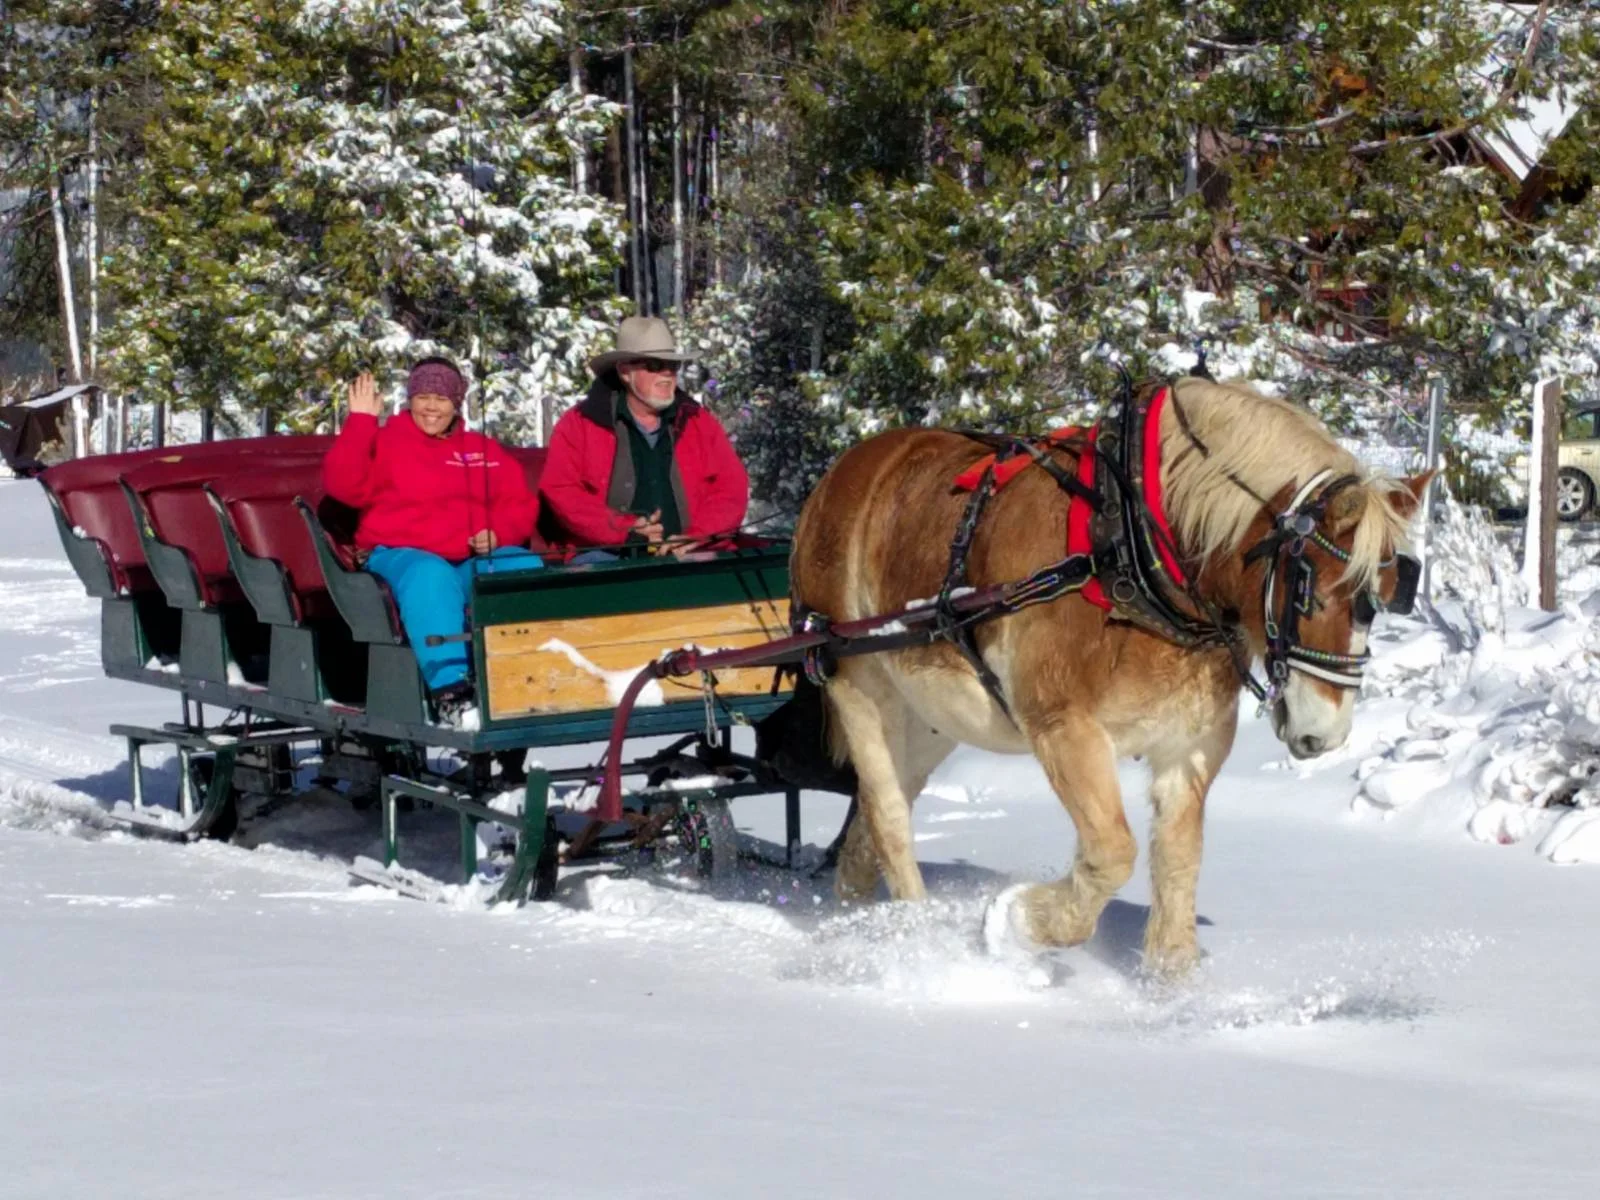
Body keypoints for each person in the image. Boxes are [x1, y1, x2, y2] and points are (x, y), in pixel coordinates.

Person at [322, 357, 541, 726]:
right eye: (422, 396)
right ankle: (451, 690)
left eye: (441, 398)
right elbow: (343, 486)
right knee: (430, 576)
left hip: (469, 558)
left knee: (524, 567)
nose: (431, 407)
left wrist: (498, 533)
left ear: (457, 402)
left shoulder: (482, 450)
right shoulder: (387, 441)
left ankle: (526, 674)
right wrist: (360, 422)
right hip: (399, 555)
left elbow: (520, 505)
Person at [539, 316, 749, 559]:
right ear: (625, 372)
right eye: (654, 366)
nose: (667, 374)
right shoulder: (579, 424)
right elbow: (560, 491)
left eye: (673, 366)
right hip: (607, 554)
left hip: (691, 553)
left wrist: (698, 535)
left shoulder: (699, 422)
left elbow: (731, 487)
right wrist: (624, 531)